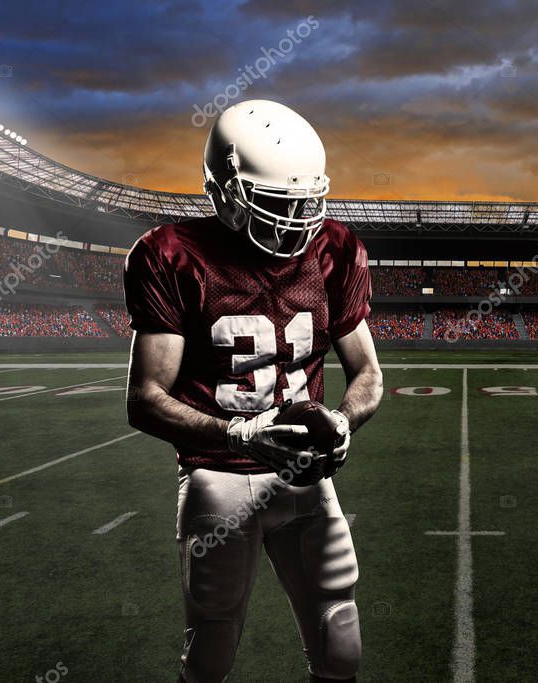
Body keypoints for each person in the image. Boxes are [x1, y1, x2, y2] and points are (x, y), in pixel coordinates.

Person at [123, 99, 383, 683]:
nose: (293, 220)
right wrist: (239, 434)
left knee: (340, 635)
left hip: (304, 475)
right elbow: (145, 398)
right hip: (218, 477)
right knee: (212, 644)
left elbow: (368, 373)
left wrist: (344, 420)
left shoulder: (336, 250)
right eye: (274, 202)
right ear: (224, 193)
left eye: (303, 202)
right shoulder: (171, 255)